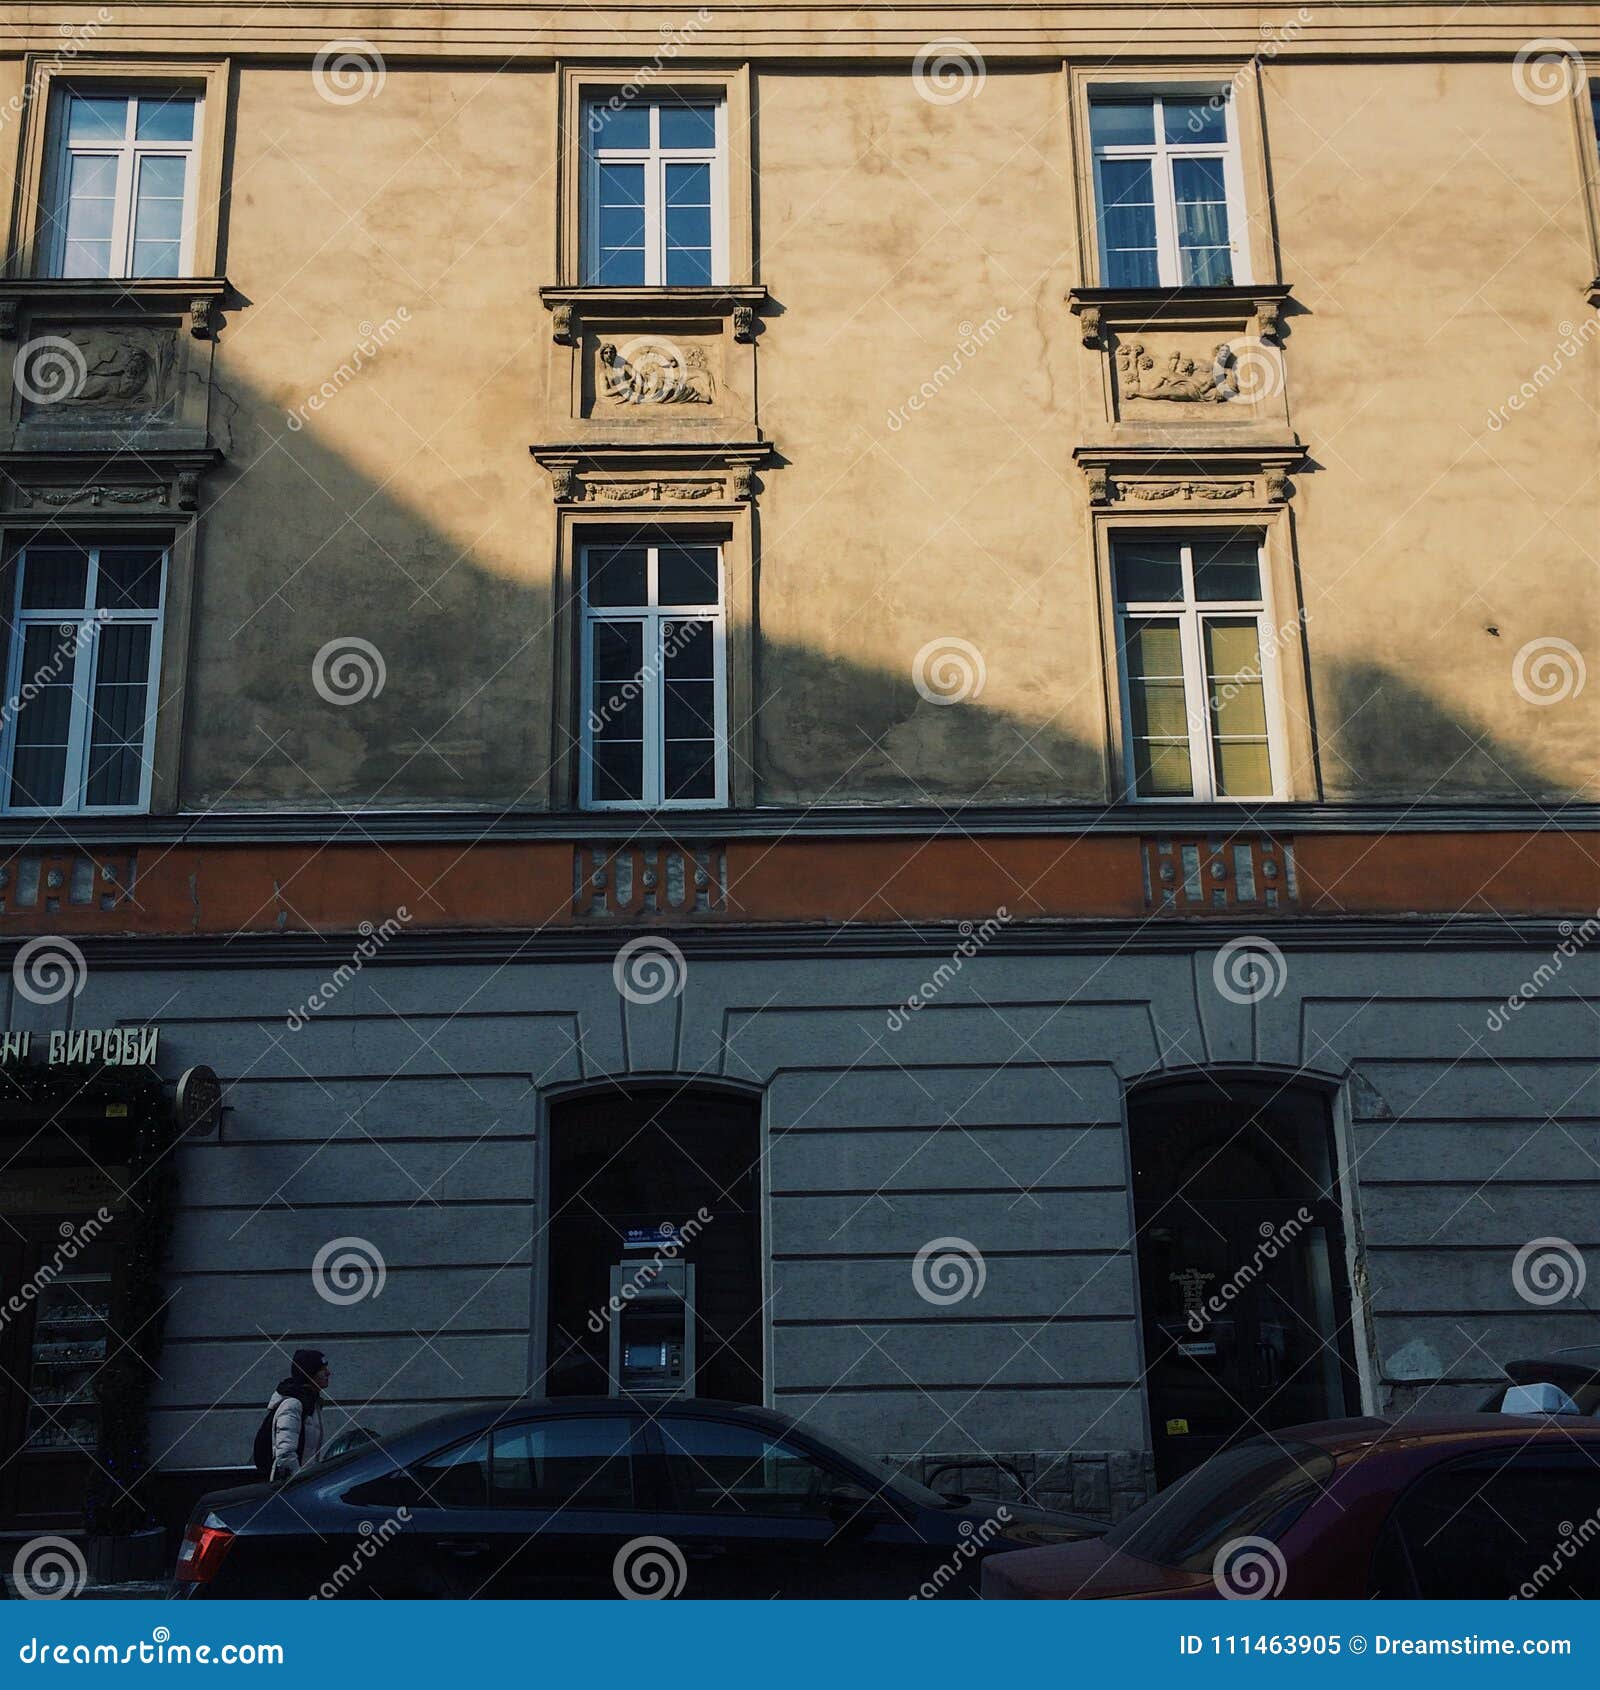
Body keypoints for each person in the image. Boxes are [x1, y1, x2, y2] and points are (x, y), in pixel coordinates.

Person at [253, 1349, 330, 1484]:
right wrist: (297, 1485)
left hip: (306, 1484)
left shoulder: (312, 1403)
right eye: (322, 1370)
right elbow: (285, 1454)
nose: (328, 1373)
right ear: (309, 1374)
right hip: (293, 1488)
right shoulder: (293, 1404)